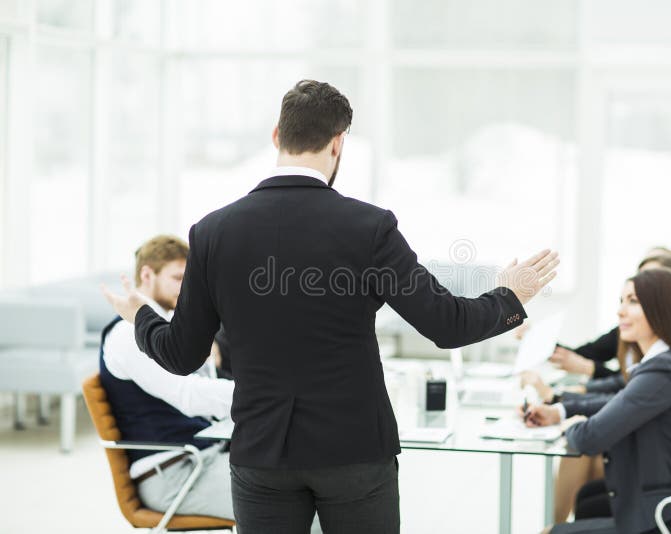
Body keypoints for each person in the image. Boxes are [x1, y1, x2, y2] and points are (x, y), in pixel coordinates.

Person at [102, 79, 560, 534]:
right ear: (339, 142)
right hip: (354, 451)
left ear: (277, 135)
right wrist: (510, 295)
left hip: (261, 454)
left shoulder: (213, 233)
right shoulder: (370, 228)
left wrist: (139, 314)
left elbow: (181, 355)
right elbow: (448, 324)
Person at [522, 250, 671, 525]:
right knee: (587, 499)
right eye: (623, 300)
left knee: (568, 514)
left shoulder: (666, 368)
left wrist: (569, 424)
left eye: (635, 300)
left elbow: (593, 434)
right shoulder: (667, 359)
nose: (620, 310)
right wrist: (561, 409)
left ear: (664, 303)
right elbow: (624, 396)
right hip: (669, 487)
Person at [100, 235, 235, 520]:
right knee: (296, 502)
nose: (186, 289)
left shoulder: (168, 328)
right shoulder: (128, 333)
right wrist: (260, 395)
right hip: (174, 475)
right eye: (177, 278)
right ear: (147, 274)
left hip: (200, 458)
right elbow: (187, 395)